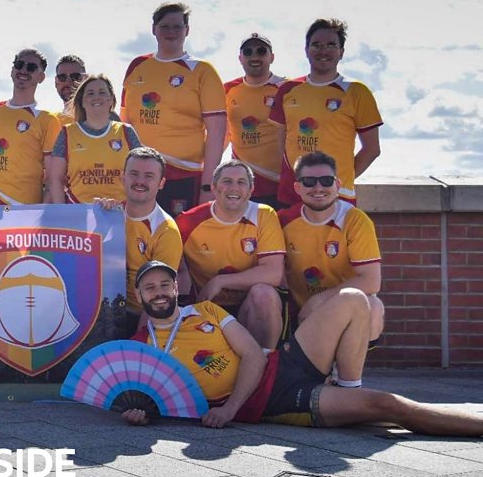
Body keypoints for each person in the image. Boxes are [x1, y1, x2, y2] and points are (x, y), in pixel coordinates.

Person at [121, 261, 483, 437]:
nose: (160, 292)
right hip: (277, 400)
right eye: (150, 288)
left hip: (282, 362)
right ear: (141, 296)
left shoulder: (205, 311)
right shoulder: (140, 349)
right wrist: (137, 415)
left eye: (165, 284)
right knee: (387, 406)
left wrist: (230, 408)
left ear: (175, 289)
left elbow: (251, 352)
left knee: (354, 299)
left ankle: (346, 390)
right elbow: (144, 400)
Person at [121, 2, 226, 215]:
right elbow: (125, 124)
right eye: (165, 26)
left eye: (177, 27)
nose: (171, 32)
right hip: (141, 174)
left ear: (187, 30)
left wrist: (208, 186)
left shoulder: (202, 70)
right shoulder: (137, 66)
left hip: (184, 175)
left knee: (180, 241)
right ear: (153, 29)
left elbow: (216, 132)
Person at [270, 18, 382, 207]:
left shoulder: (356, 92)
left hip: (338, 197)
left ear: (341, 52)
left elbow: (372, 149)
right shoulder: (288, 89)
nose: (323, 51)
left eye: (331, 45)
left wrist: (339, 181)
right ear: (306, 51)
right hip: (293, 194)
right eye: (317, 45)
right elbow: (281, 142)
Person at [280, 151, 384, 350]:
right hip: (297, 314)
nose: (318, 188)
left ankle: (347, 373)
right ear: (297, 187)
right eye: (309, 181)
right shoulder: (282, 219)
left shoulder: (356, 220)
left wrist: (319, 300)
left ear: (337, 185)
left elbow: (371, 281)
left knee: (374, 306)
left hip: (338, 309)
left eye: (326, 181)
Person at [176, 160, 286, 350]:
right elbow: (175, 270)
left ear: (251, 189)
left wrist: (220, 281)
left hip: (248, 306)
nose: (234, 187)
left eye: (241, 182)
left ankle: (266, 363)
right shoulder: (188, 222)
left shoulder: (264, 215)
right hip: (207, 308)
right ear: (214, 187)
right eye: (227, 181)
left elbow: (274, 273)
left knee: (265, 295)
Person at [93, 147, 184, 338]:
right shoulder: (108, 213)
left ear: (161, 183)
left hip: (138, 315)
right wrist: (94, 217)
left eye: (149, 176)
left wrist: (136, 342)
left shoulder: (166, 230)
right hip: (101, 308)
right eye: (134, 174)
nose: (140, 181)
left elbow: (156, 298)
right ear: (123, 177)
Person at [0, 48, 62, 206]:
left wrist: (42, 212)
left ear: (41, 77)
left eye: (31, 67)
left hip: (25, 210)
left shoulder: (47, 119)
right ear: (12, 70)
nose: (23, 70)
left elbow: (53, 177)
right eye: (19, 65)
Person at [47, 74, 141, 204]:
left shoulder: (126, 132)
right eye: (90, 93)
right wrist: (63, 213)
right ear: (82, 101)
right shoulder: (67, 133)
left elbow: (141, 173)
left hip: (120, 212)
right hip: (78, 213)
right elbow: (55, 179)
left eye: (102, 92)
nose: (96, 97)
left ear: (111, 100)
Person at [225, 33, 285, 209]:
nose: (254, 56)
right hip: (242, 183)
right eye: (248, 52)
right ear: (240, 58)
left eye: (261, 51)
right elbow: (223, 134)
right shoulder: (228, 89)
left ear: (271, 57)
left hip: (278, 182)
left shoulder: (287, 88)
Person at [53, 55, 87, 119]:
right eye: (62, 77)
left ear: (85, 80)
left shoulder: (106, 120)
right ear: (56, 82)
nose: (68, 82)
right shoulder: (51, 122)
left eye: (75, 76)